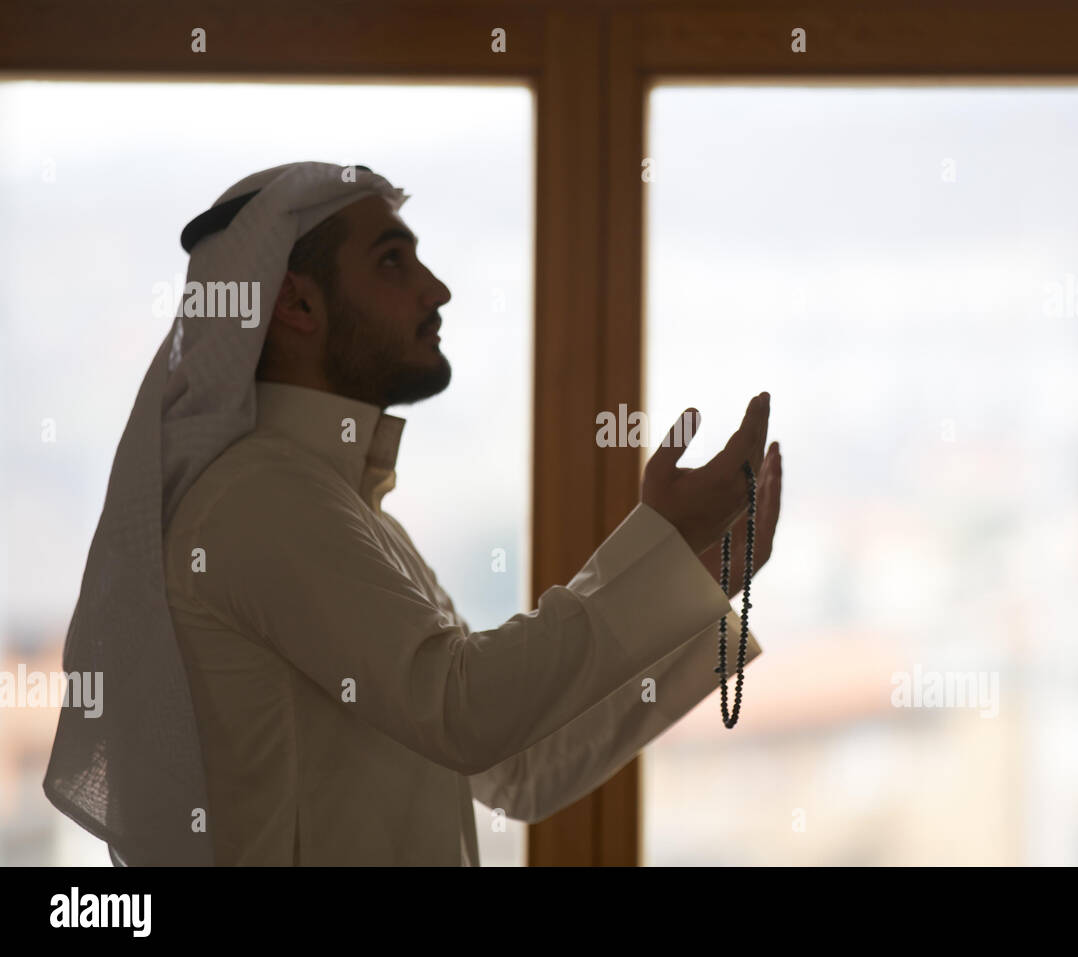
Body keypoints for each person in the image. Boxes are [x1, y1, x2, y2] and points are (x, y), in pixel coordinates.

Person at [45, 162, 782, 866]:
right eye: (394, 263)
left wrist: (696, 576)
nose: (439, 290)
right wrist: (666, 543)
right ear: (297, 304)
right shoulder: (258, 498)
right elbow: (463, 711)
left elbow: (513, 766)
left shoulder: (348, 513)